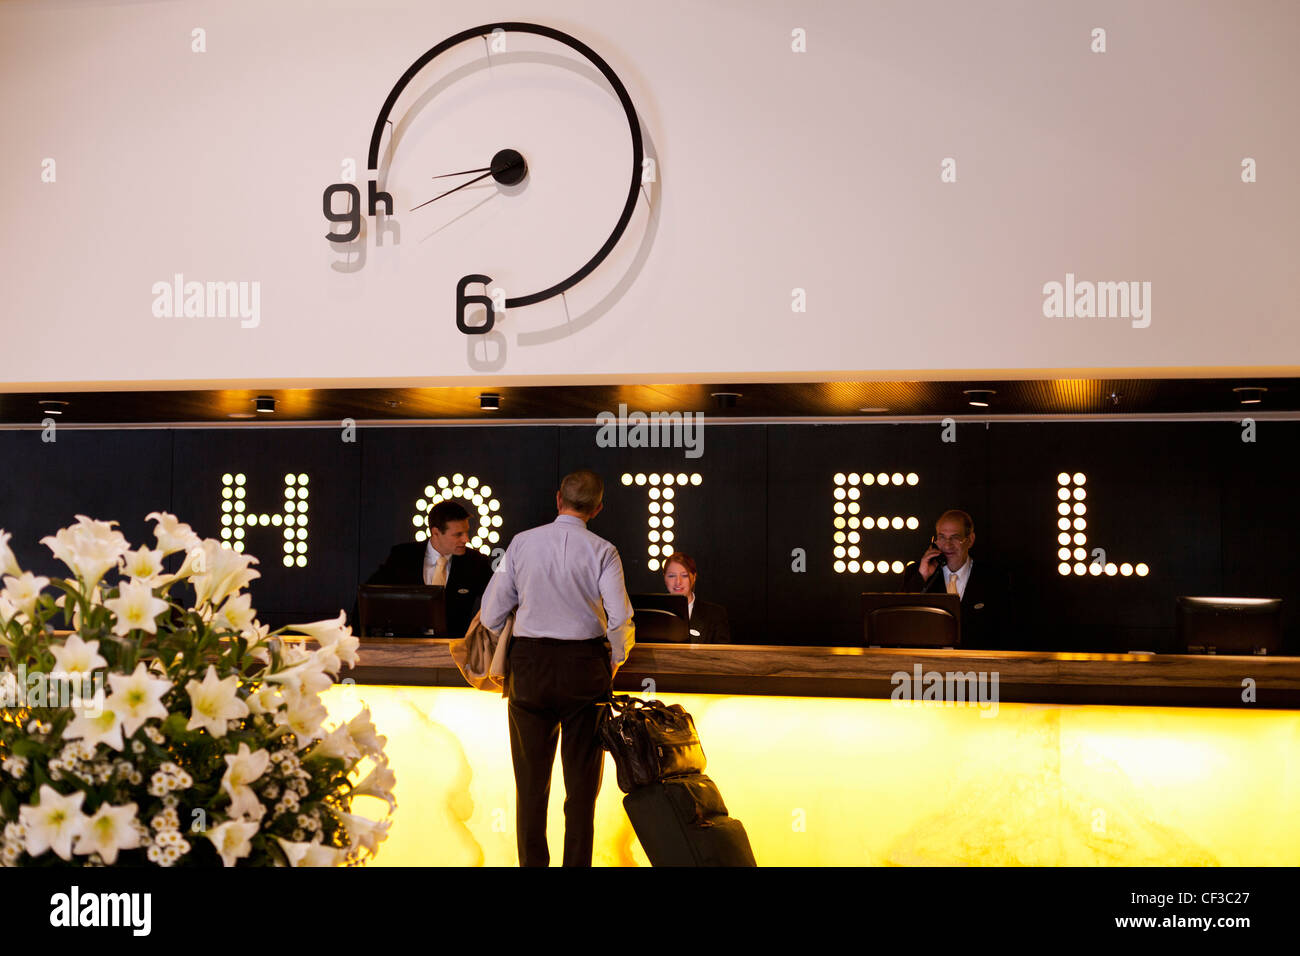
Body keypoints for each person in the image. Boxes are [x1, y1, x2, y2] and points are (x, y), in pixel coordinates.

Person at [479, 469, 634, 867]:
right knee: (581, 788)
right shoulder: (604, 551)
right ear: (598, 508)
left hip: (530, 668)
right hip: (584, 669)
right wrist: (615, 659)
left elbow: (491, 614)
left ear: (557, 498)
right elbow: (619, 620)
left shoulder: (521, 544)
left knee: (530, 786)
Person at [365, 500, 493, 638]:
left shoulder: (476, 563)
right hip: (405, 649)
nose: (466, 539)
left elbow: (499, 600)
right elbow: (368, 595)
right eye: (458, 535)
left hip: (456, 652)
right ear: (436, 532)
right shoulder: (402, 557)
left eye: (466, 532)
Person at [898, 509, 1003, 648]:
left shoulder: (993, 578)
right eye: (941, 537)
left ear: (970, 540)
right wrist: (922, 577)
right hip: (928, 666)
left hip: (977, 666)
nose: (947, 545)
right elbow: (901, 621)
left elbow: (1002, 632)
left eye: (954, 537)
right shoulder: (916, 572)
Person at [663, 552, 731, 644]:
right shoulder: (654, 614)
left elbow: (723, 655)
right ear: (664, 578)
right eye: (672, 576)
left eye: (684, 575)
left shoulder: (715, 614)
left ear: (694, 577)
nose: (678, 582)